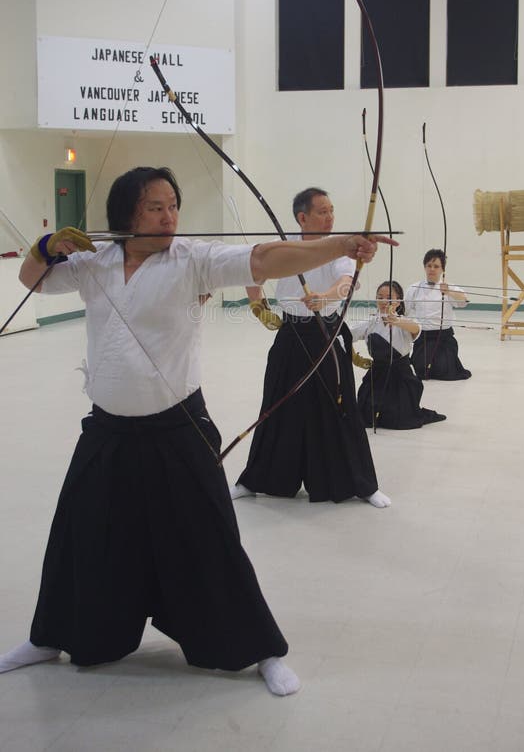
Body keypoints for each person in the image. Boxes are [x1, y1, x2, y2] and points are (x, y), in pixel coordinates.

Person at [0, 167, 393, 694]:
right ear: (125, 216)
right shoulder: (94, 264)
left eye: (173, 206)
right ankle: (52, 636)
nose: (169, 217)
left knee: (213, 542)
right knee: (80, 535)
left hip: (177, 428)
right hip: (107, 432)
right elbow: (32, 281)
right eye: (154, 208)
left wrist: (339, 244)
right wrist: (45, 245)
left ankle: (260, 650)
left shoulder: (193, 259)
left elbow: (265, 258)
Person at [231, 187, 391, 508]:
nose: (330, 217)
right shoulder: (284, 245)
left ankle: (362, 484)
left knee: (340, 407)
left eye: (332, 210)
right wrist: (257, 306)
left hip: (326, 333)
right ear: (302, 218)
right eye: (322, 212)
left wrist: (325, 297)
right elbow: (253, 271)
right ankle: (256, 479)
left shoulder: (339, 248)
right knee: (276, 404)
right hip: (291, 332)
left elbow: (345, 284)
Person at [352, 280, 447, 429]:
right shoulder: (370, 322)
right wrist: (355, 358)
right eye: (380, 297)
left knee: (399, 419)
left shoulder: (405, 322)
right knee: (365, 415)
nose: (384, 301)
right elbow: (344, 336)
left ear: (398, 301)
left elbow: (416, 329)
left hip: (400, 379)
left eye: (389, 297)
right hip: (376, 377)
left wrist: (396, 320)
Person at [404, 249, 472, 380]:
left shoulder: (449, 288)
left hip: (443, 339)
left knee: (443, 369)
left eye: (436, 266)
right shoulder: (414, 288)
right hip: (423, 337)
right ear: (424, 267)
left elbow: (464, 300)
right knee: (421, 370)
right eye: (429, 266)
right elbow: (404, 310)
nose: (432, 269)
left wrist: (449, 292)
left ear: (442, 269)